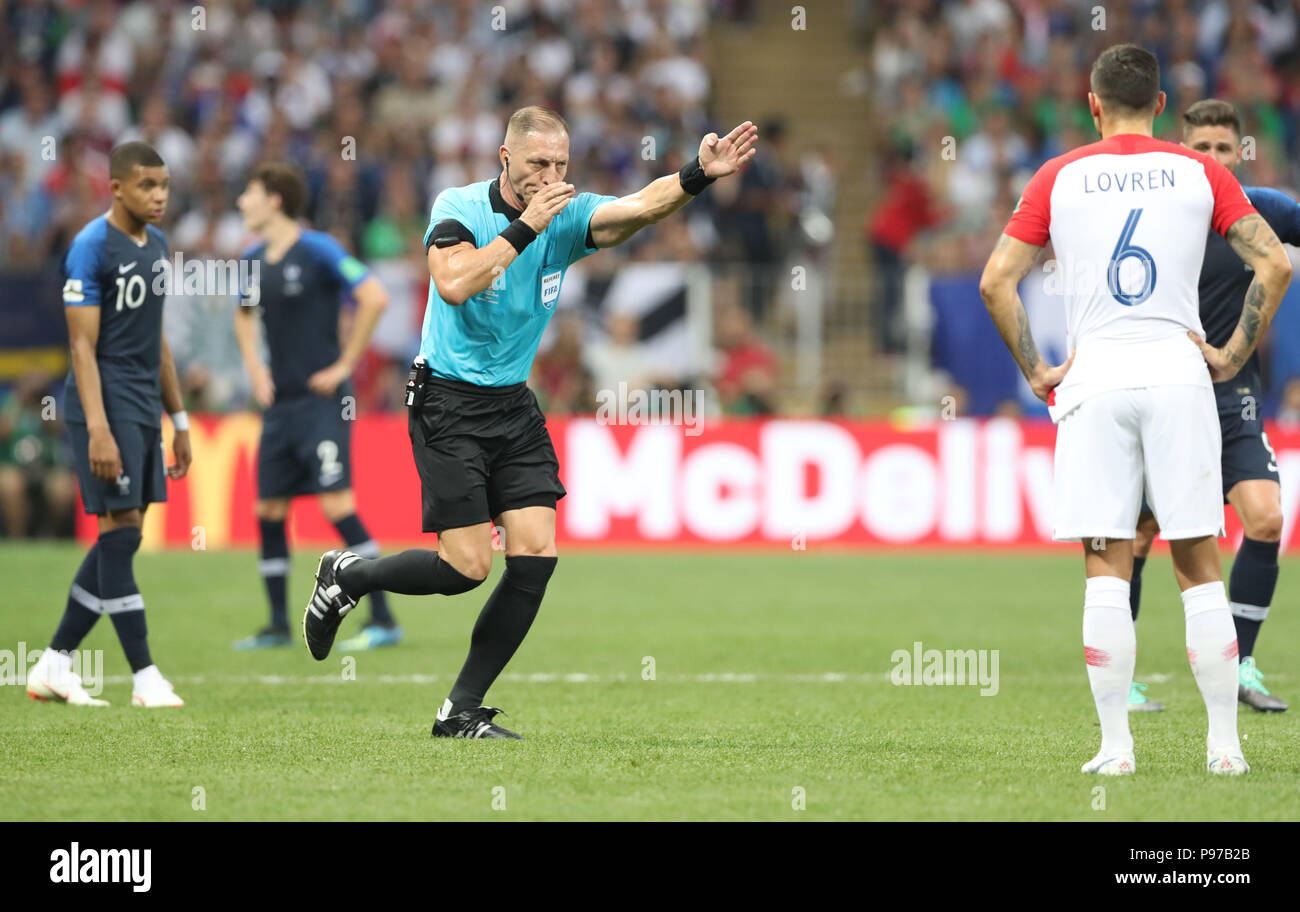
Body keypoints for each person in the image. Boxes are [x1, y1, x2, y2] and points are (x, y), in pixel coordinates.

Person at [304, 105, 757, 738]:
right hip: (446, 400)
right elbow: (456, 283)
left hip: (512, 403)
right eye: (538, 163)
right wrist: (524, 227)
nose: (550, 176)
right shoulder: (457, 207)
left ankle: (458, 711)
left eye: (561, 165)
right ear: (505, 158)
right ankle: (348, 574)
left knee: (536, 554)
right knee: (465, 569)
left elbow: (638, 207)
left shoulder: (566, 214)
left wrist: (696, 175)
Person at [980, 45, 1291, 776]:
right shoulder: (1202, 172)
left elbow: (998, 282)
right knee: (1197, 561)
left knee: (1105, 562)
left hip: (1096, 380)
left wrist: (1037, 372)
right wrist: (1233, 355)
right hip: (1181, 377)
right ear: (1159, 106)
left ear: (1092, 104)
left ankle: (1115, 750)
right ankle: (1225, 750)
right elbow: (1274, 262)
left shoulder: (1058, 176)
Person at [1128, 100, 1300, 714]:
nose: (1212, 159)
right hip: (1165, 396)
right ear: (1182, 149)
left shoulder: (1262, 211)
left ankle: (1243, 666)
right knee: (1140, 534)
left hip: (1236, 398)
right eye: (1200, 148)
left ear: (1240, 154)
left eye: (1224, 149)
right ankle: (1121, 678)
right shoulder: (1152, 211)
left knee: (1266, 519)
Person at [26, 141, 193, 708]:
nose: (160, 196)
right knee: (121, 532)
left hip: (146, 404)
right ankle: (145, 677)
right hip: (106, 401)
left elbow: (159, 339)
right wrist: (97, 427)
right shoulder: (90, 247)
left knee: (122, 538)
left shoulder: (160, 245)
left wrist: (181, 418)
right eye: (148, 186)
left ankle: (54, 664)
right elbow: (80, 344)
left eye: (164, 186)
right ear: (117, 187)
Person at [232, 162, 398, 652]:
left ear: (275, 199)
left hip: (324, 403)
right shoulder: (252, 260)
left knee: (336, 505)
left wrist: (346, 362)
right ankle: (279, 624)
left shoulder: (319, 249)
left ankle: (384, 618)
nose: (242, 202)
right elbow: (242, 316)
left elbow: (374, 296)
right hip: (280, 405)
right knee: (268, 508)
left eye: (249, 192)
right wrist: (255, 370)